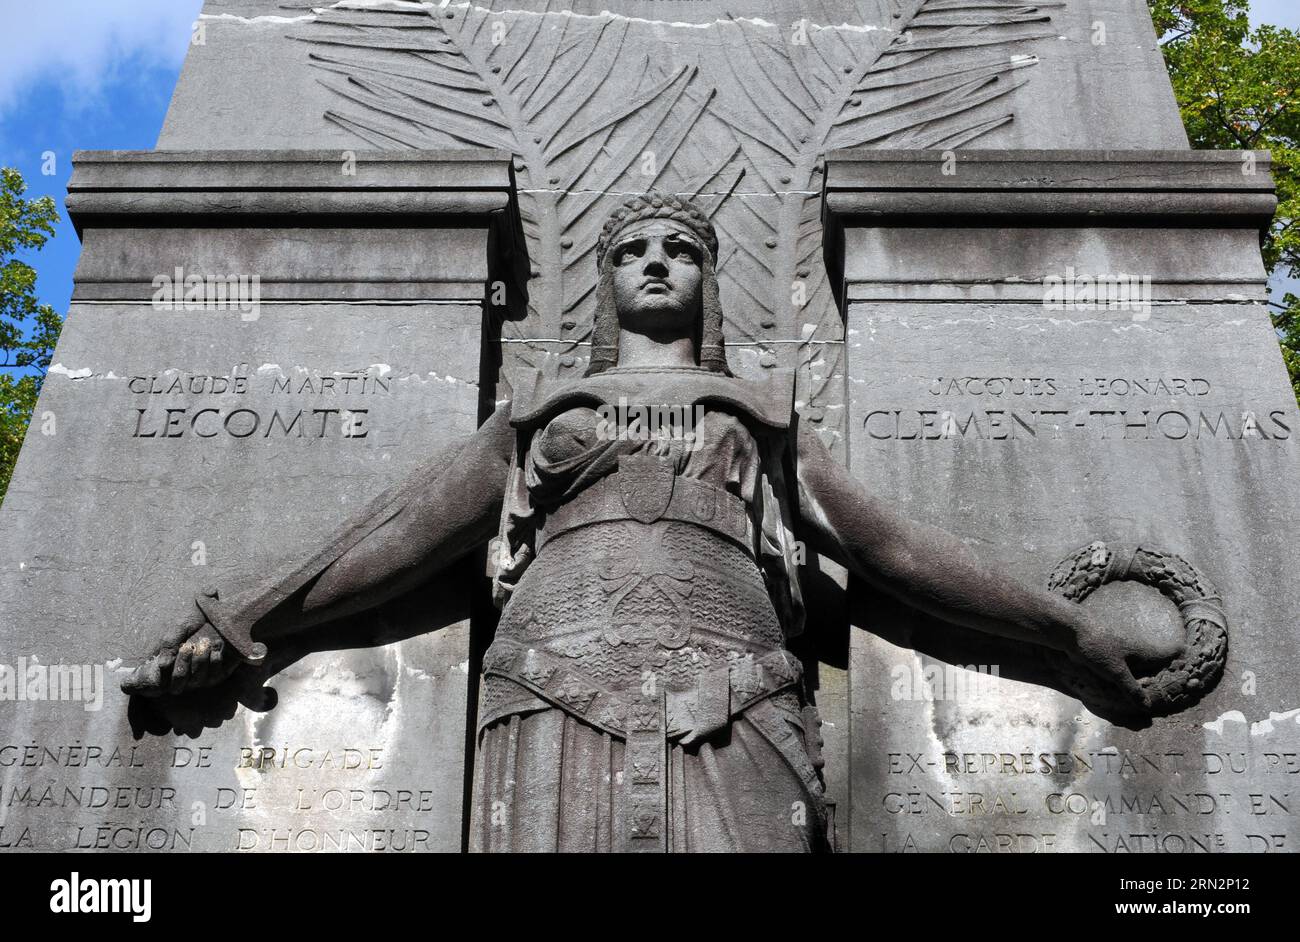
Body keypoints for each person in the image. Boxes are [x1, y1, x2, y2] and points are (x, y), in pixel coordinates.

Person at [124, 192, 1148, 852]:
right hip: (549, 700)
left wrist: (1063, 630)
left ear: (707, 280)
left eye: (679, 251)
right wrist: (243, 625)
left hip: (737, 706)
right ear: (604, 279)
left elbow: (894, 550)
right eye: (631, 251)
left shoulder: (762, 411)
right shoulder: (537, 417)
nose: (655, 264)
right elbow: (392, 537)